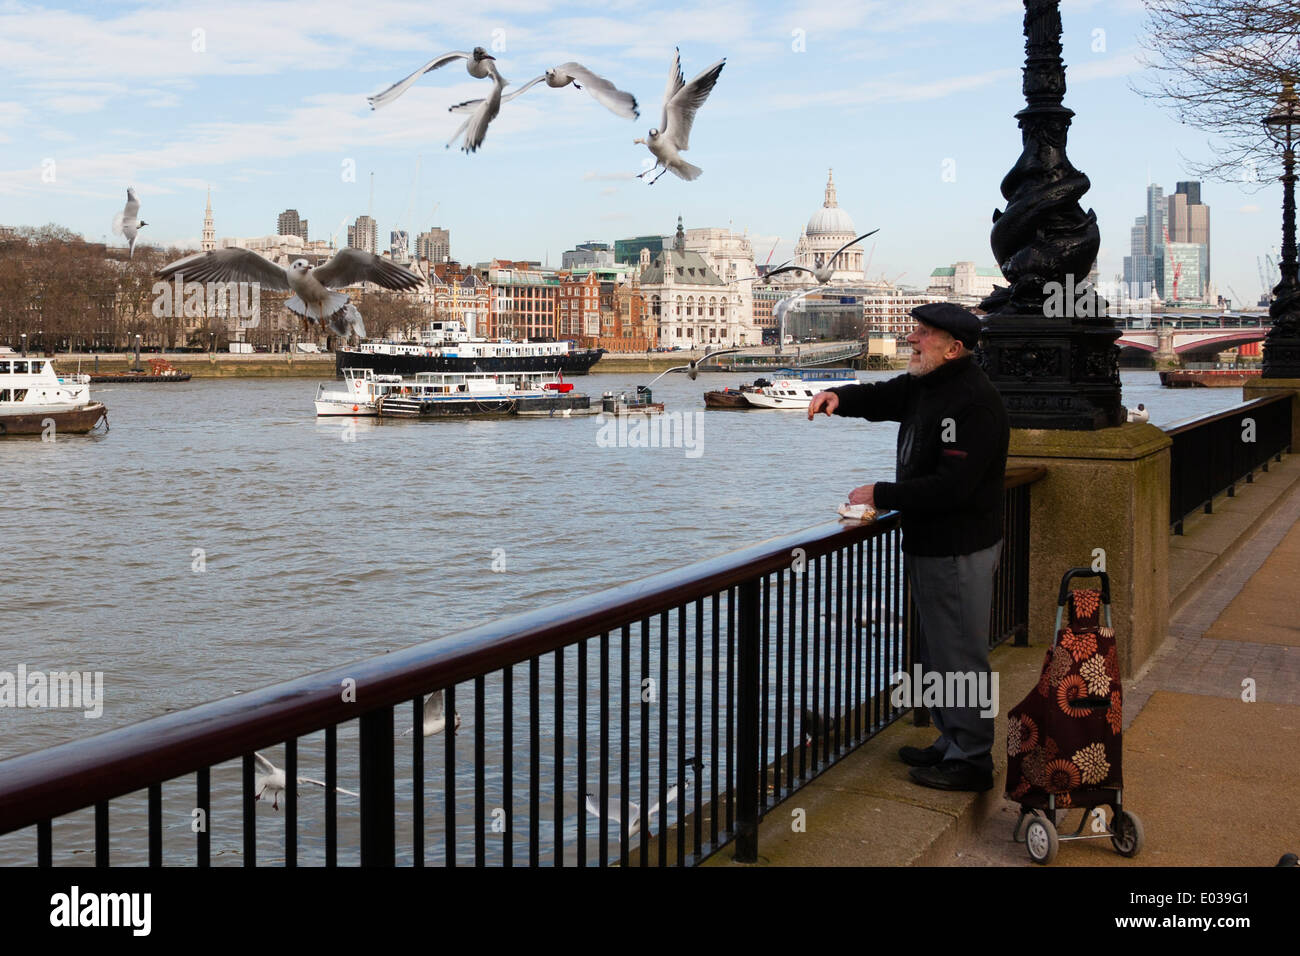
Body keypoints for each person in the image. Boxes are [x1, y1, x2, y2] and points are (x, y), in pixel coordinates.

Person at [807, 302, 1010, 792]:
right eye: (915, 330)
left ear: (953, 347)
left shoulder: (972, 402)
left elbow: (951, 488)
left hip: (958, 548)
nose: (912, 339)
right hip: (931, 544)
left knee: (961, 654)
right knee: (940, 651)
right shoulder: (931, 384)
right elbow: (884, 397)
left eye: (923, 334)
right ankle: (950, 738)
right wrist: (838, 396)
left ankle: (973, 758)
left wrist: (882, 494)